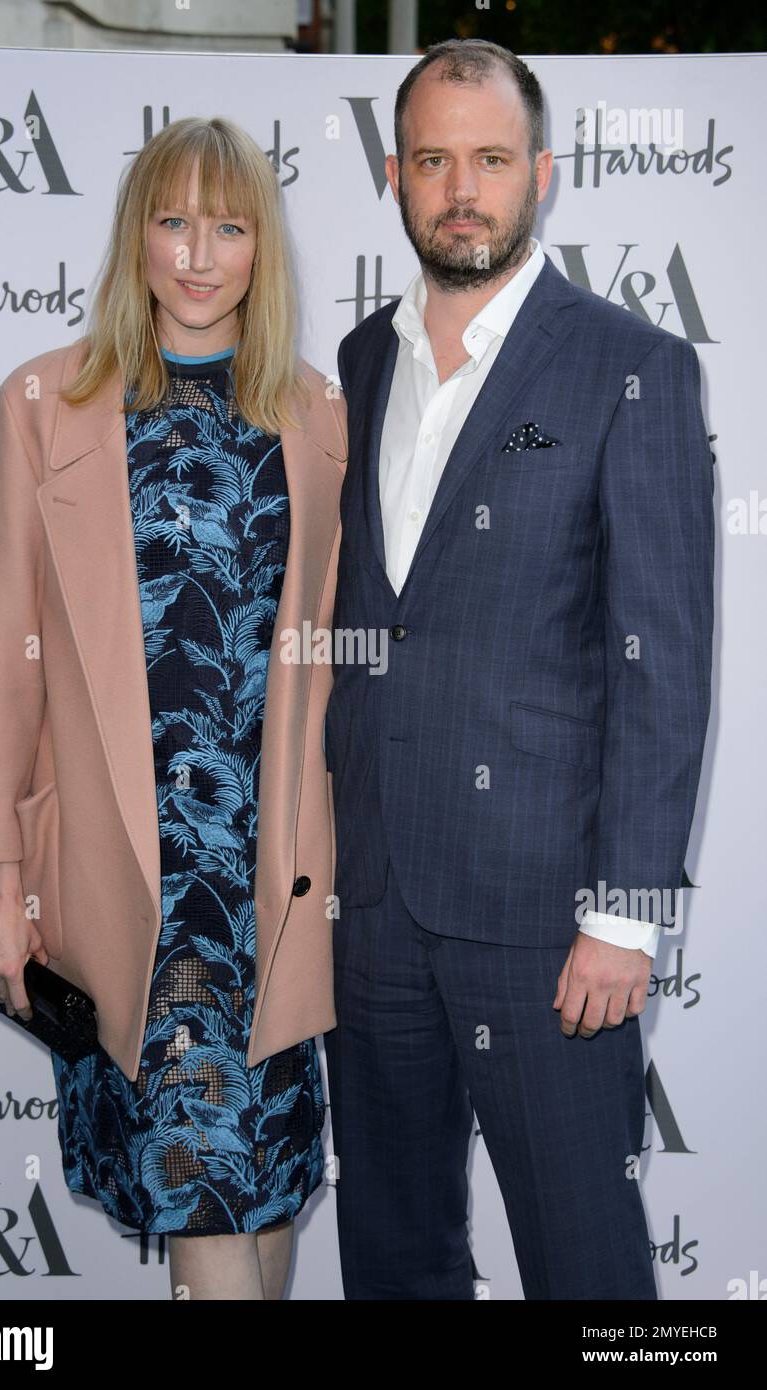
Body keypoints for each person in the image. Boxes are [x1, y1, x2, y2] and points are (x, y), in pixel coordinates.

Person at [323, 38, 714, 1300]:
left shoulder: (626, 367)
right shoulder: (363, 361)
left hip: (550, 926)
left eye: (489, 159)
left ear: (540, 172)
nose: (461, 189)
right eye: (433, 160)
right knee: (395, 1257)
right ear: (394, 175)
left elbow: (662, 667)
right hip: (374, 909)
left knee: (587, 1271)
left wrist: (624, 916)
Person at [0, 115, 347, 1300]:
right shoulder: (49, 403)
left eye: (226, 227)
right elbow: (7, 664)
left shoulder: (315, 413)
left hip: (271, 889)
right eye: (171, 222)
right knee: (212, 1210)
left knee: (263, 1211)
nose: (196, 254)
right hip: (135, 886)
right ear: (135, 238)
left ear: (259, 250)